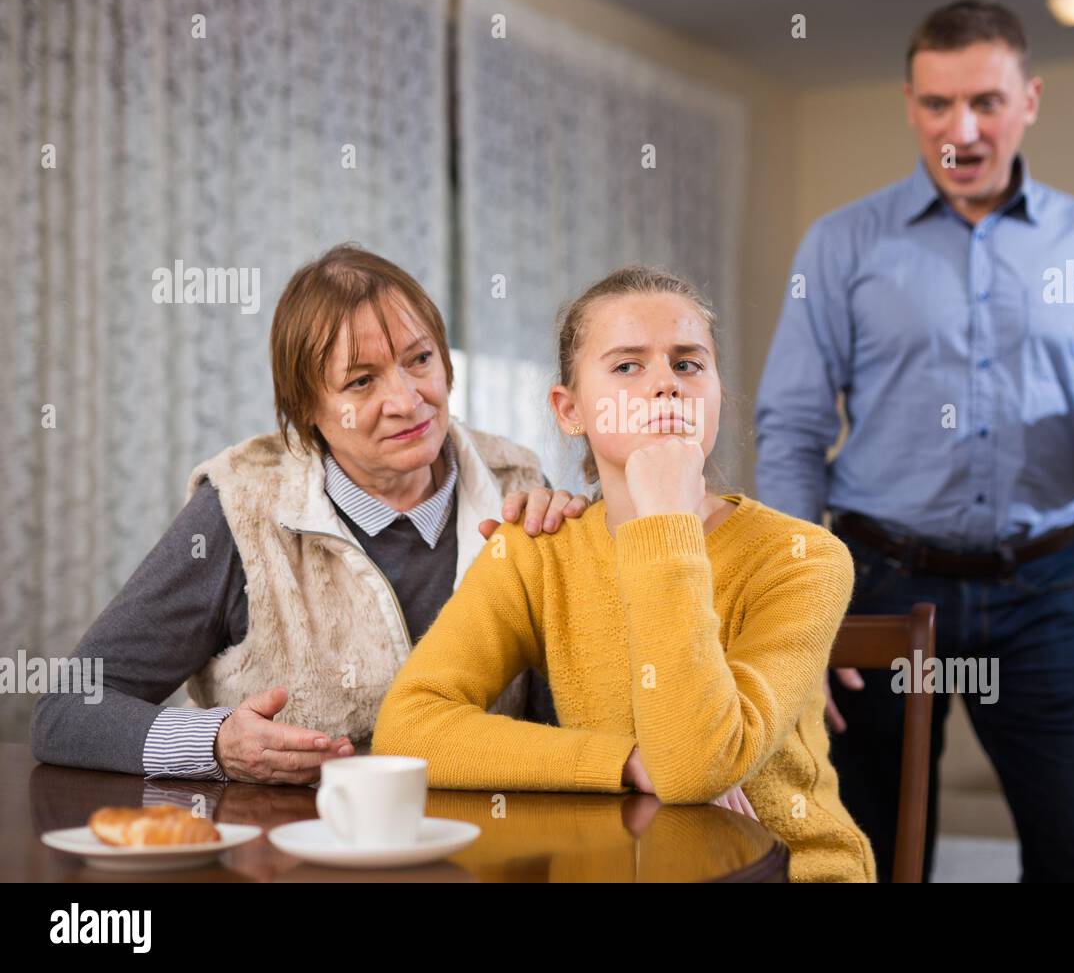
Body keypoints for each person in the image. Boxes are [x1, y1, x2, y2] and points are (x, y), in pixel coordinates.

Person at [755, 0, 1074, 881]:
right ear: (910, 105)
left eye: (987, 102)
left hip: (1042, 591)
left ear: (1029, 99)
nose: (962, 128)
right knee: (868, 857)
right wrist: (794, 605)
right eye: (936, 104)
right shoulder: (842, 243)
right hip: (877, 583)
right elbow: (794, 428)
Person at [374, 265, 876, 882]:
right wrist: (626, 763)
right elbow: (409, 727)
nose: (665, 384)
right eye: (627, 366)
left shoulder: (806, 558)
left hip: (788, 871)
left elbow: (694, 768)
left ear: (717, 390)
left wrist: (664, 521)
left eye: (688, 364)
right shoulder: (537, 550)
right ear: (570, 410)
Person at [31, 244, 587, 785]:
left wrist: (582, 555)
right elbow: (69, 708)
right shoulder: (240, 507)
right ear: (305, 410)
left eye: (419, 360)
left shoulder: (519, 486)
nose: (406, 399)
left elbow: (565, 721)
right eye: (361, 381)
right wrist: (218, 743)